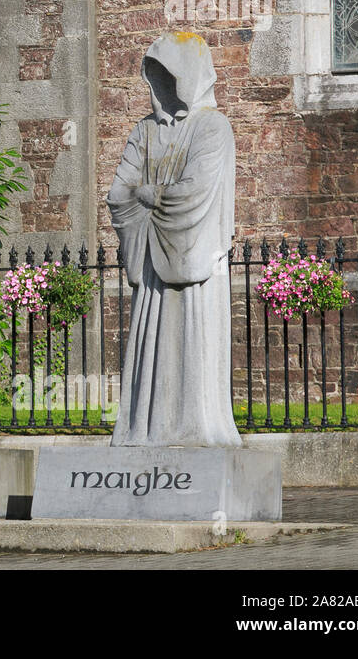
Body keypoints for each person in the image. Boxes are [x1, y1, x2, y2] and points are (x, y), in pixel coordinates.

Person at [107, 31, 241, 447]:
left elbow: (196, 190)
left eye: (172, 75)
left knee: (192, 348)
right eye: (157, 76)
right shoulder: (143, 132)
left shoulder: (212, 128)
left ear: (191, 77)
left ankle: (195, 430)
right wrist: (148, 194)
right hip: (151, 269)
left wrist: (152, 194)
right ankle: (144, 431)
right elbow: (118, 193)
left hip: (191, 265)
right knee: (150, 353)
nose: (164, 85)